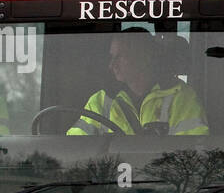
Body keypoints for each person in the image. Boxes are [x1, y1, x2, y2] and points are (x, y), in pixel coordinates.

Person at [68, 31, 208, 135]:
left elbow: (192, 153)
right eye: (111, 57)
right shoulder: (99, 100)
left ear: (143, 57)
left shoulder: (182, 98)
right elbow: (75, 148)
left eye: (120, 57)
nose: (112, 65)